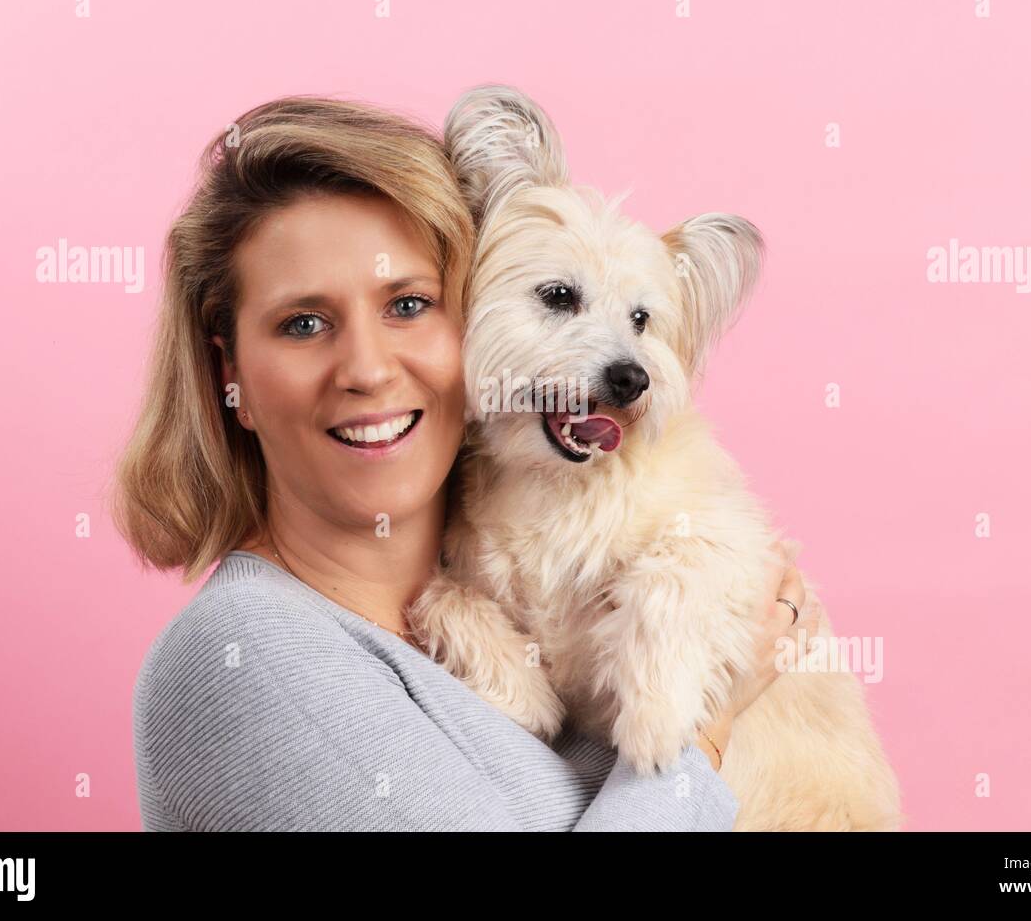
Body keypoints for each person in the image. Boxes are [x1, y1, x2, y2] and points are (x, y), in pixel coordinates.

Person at [113, 95, 818, 831]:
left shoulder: (527, 603)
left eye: (409, 305)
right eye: (304, 324)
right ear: (233, 377)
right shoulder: (245, 656)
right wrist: (703, 737)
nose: (367, 369)